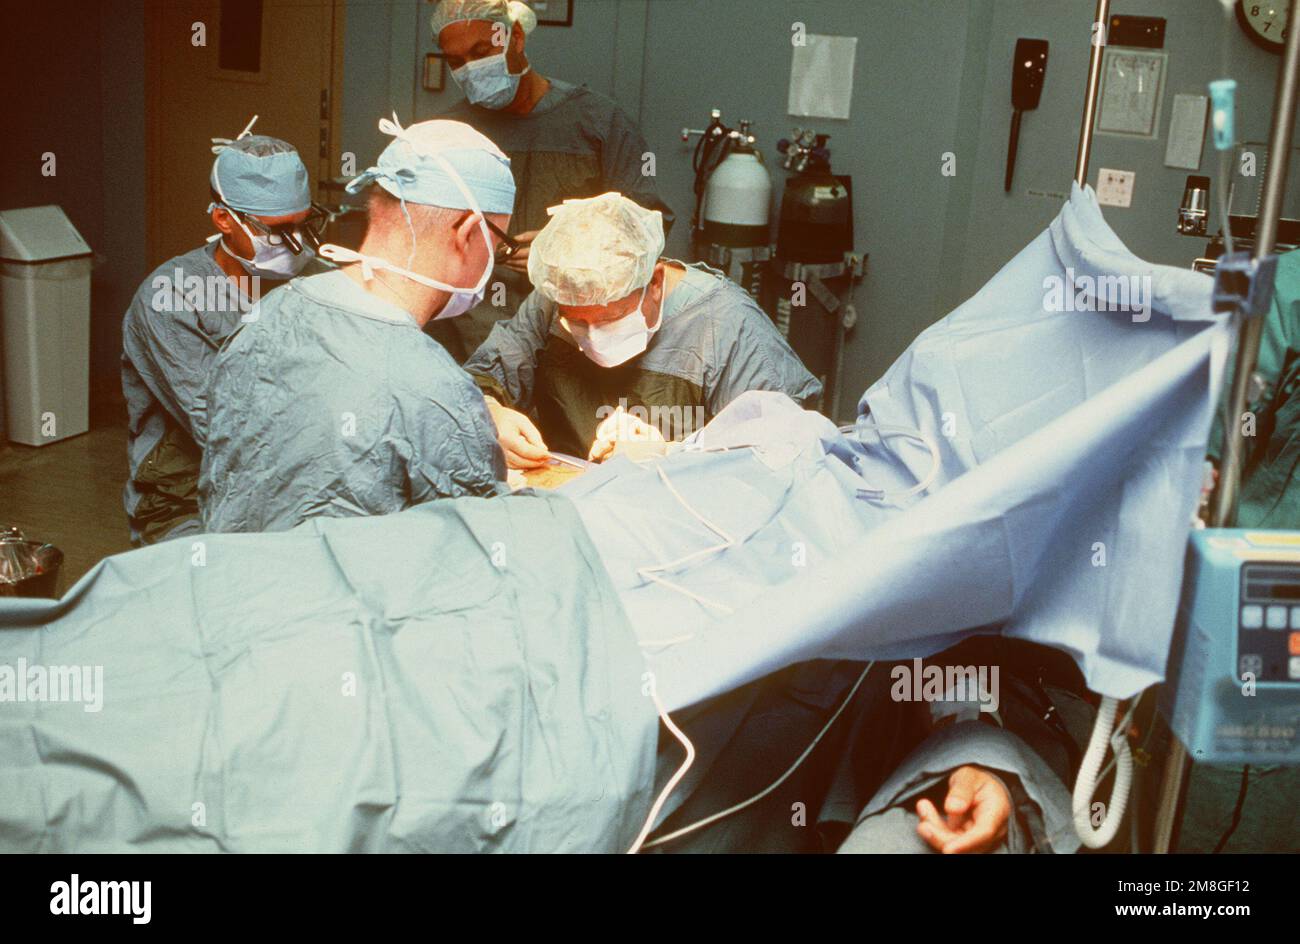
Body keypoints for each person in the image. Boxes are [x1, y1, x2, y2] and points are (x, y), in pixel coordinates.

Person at [198, 117, 512, 534]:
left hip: (237, 581)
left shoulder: (269, 316)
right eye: (499, 243)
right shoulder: (437, 389)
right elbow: (474, 549)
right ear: (468, 233)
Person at [464, 192, 822, 465]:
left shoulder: (726, 324)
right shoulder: (556, 299)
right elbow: (484, 374)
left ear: (654, 281)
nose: (591, 334)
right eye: (576, 322)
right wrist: (491, 411)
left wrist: (669, 455)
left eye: (608, 320)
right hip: (577, 500)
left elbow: (787, 452)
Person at [121, 124, 329, 545]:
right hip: (186, 493)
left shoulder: (319, 279)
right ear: (224, 219)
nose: (294, 246)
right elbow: (222, 426)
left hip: (301, 476)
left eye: (303, 226)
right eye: (276, 230)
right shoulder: (174, 295)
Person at [428, 0, 669, 360]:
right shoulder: (447, 133)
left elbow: (646, 225)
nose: (471, 69)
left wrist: (565, 249)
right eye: (456, 62)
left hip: (574, 329)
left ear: (516, 37)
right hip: (469, 334)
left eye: (482, 51)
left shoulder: (599, 123)